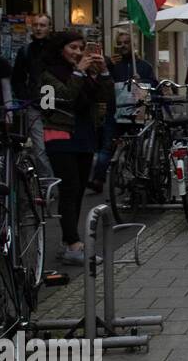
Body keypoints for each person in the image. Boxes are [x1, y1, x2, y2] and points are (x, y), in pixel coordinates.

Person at [39, 32, 113, 266]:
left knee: (79, 190)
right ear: (61, 48)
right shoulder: (48, 74)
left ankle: (67, 241)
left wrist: (103, 72)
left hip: (84, 136)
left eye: (82, 48)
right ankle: (73, 244)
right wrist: (80, 72)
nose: (78, 52)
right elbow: (63, 99)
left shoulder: (87, 74)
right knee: (69, 188)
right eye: (73, 47)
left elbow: (107, 99)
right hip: (60, 136)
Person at [88, 31, 158, 193]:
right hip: (115, 112)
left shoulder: (144, 66)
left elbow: (152, 88)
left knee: (137, 146)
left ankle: (136, 178)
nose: (123, 46)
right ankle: (98, 179)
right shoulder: (112, 65)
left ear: (133, 45)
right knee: (107, 146)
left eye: (126, 42)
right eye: (120, 43)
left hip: (136, 113)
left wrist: (142, 81)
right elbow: (100, 84)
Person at [12, 13, 54, 180]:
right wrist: (26, 97)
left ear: (49, 28)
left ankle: (55, 181)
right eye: (36, 25)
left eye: (42, 25)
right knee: (40, 148)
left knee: (55, 147)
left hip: (57, 105)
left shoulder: (56, 50)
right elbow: (17, 78)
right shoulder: (26, 51)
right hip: (35, 104)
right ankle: (47, 183)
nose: (38, 28)